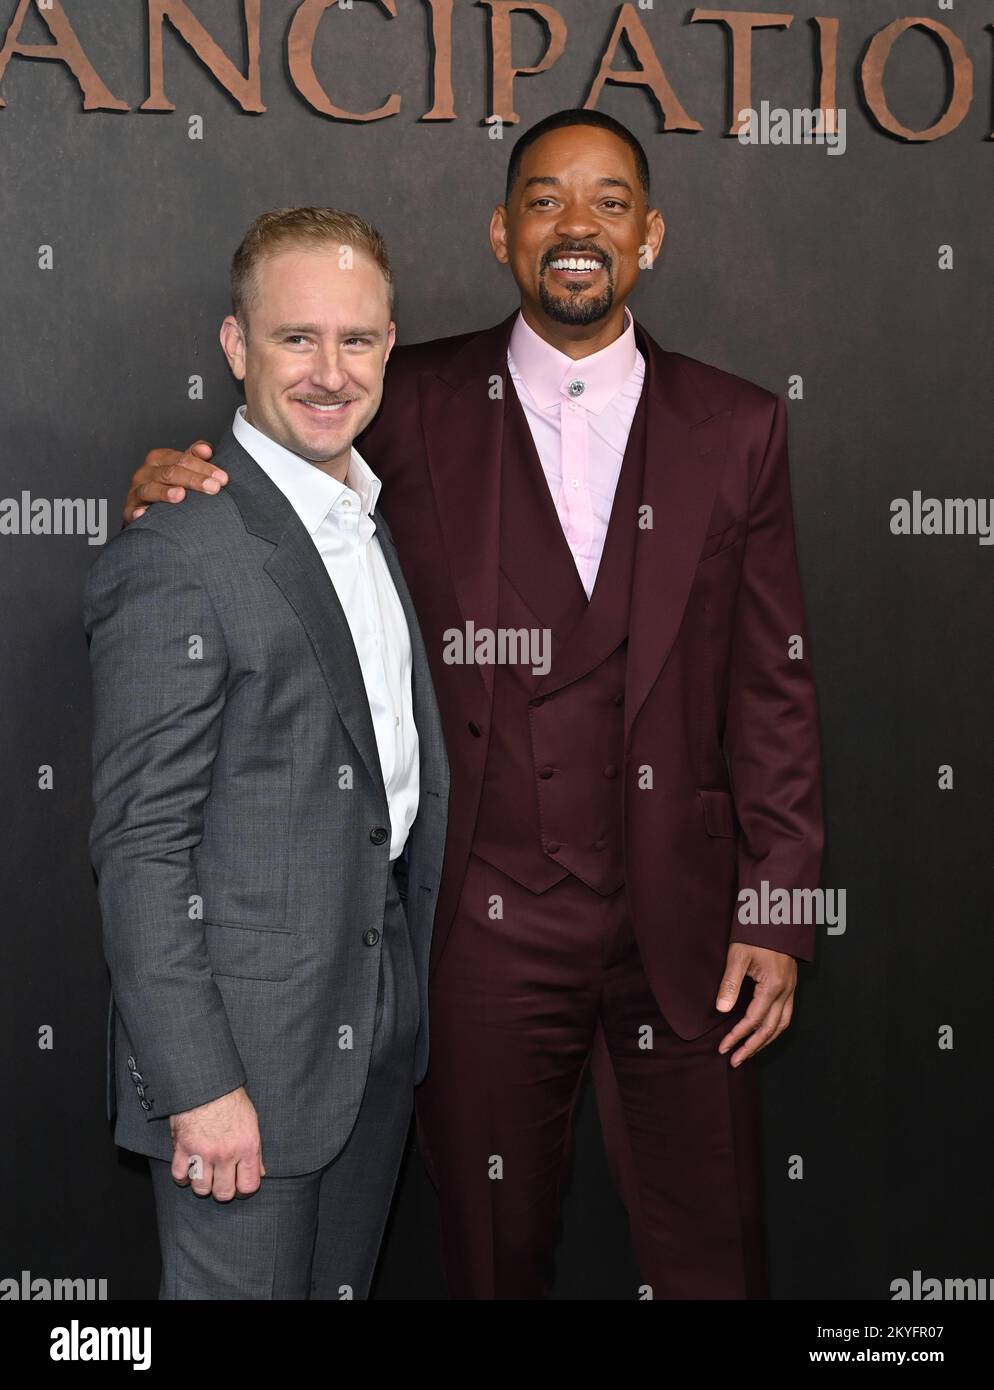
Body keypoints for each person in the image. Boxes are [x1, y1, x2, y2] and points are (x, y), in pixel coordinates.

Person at [121, 110, 824, 1300]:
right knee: (489, 1254)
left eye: (608, 201)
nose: (576, 225)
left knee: (714, 1248)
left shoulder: (738, 423)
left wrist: (781, 899)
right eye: (546, 199)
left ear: (648, 235)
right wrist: (168, 477)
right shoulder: (407, 395)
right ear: (503, 231)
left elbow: (773, 684)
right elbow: (277, 465)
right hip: (478, 926)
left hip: (692, 924)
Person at [84, 207, 448, 1300]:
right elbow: (141, 847)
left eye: (357, 339)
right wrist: (198, 1086)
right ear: (237, 347)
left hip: (370, 1044)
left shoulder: (368, 520)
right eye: (296, 338)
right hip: (239, 1072)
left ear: (390, 347)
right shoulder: (180, 550)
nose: (330, 371)